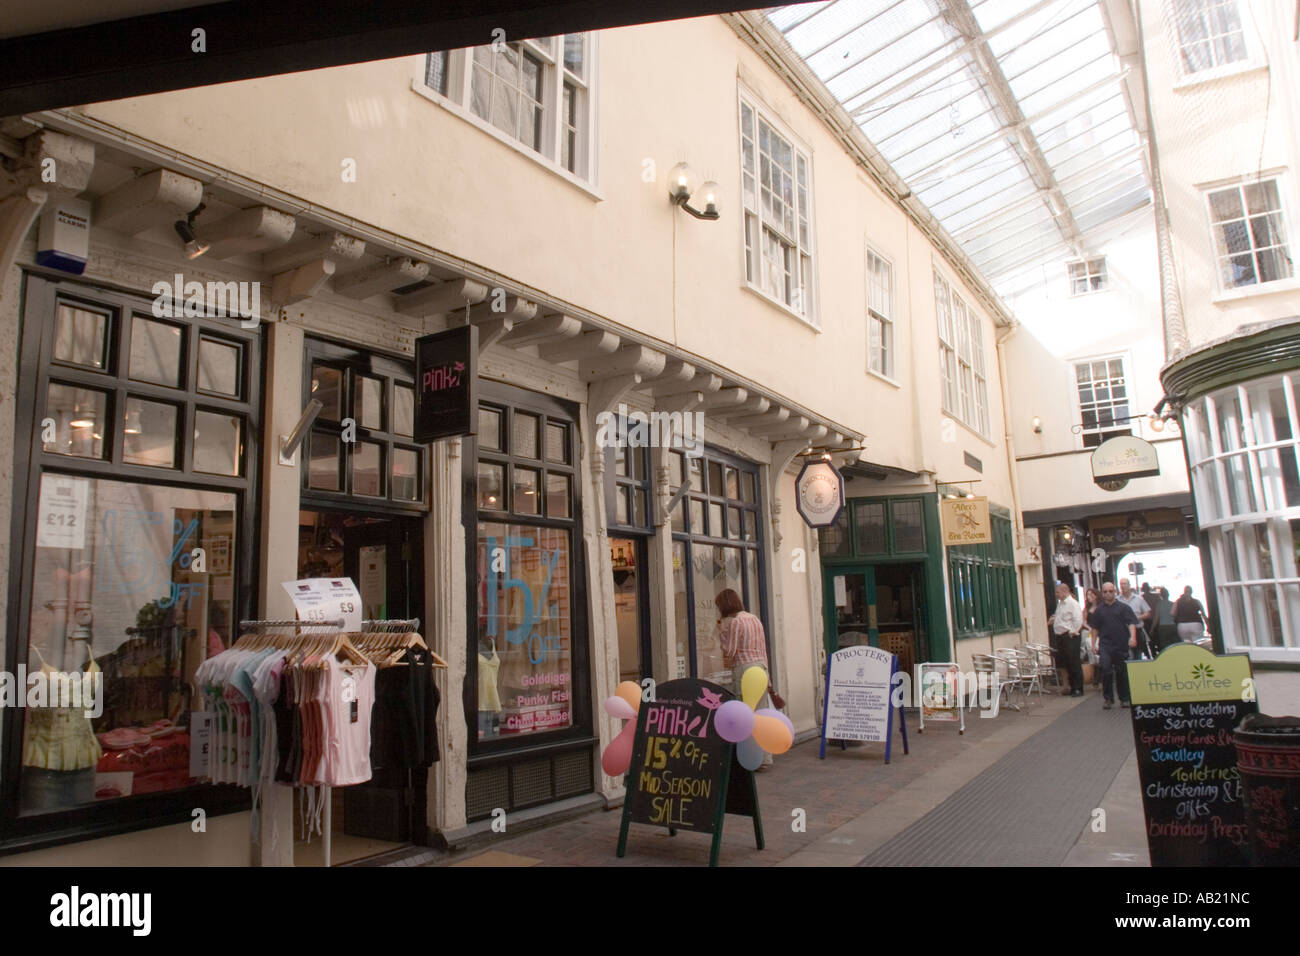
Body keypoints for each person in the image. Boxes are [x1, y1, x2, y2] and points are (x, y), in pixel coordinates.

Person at [715, 588, 772, 769]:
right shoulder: (755, 619)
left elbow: (730, 651)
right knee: (760, 714)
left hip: (745, 669)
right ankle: (765, 758)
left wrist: (721, 632)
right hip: (761, 668)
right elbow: (763, 650)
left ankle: (749, 759)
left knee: (744, 714)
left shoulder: (735, 622)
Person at [1091, 582, 1140, 709]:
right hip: (1105, 645)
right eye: (1105, 591)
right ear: (1102, 593)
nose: (1108, 594)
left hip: (1121, 644)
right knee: (1106, 670)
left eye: (1111, 591)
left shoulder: (1124, 608)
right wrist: (1093, 644)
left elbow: (1131, 624)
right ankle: (1108, 699)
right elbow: (1095, 628)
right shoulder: (1099, 610)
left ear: (1115, 592)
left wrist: (1132, 638)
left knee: (1121, 672)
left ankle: (1124, 698)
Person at [1049, 583, 1085, 697]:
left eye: (1057, 592)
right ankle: (1071, 686)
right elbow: (1061, 618)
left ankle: (1078, 688)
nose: (1056, 594)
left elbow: (1078, 619)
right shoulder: (1061, 604)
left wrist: (1072, 632)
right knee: (1066, 663)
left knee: (1074, 662)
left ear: (1065, 591)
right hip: (1060, 636)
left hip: (1069, 636)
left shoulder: (1072, 604)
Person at [1118, 579, 1152, 658]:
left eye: (1125, 584)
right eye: (1121, 584)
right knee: (1127, 654)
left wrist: (1137, 618)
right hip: (1123, 631)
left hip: (1137, 630)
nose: (1123, 586)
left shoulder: (1139, 599)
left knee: (1138, 654)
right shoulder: (1117, 600)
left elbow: (1148, 613)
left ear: (1129, 585)